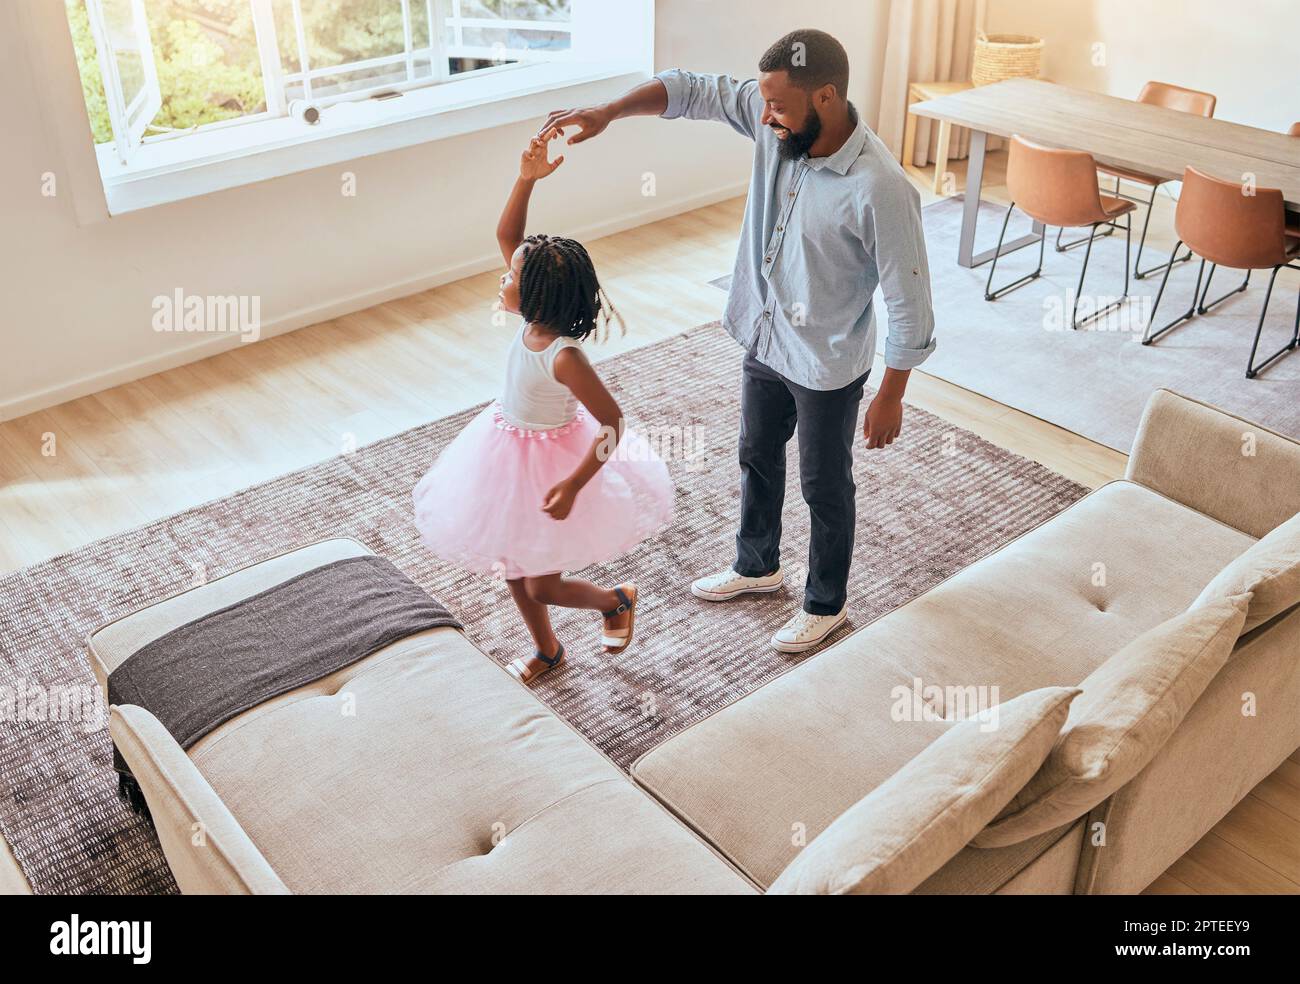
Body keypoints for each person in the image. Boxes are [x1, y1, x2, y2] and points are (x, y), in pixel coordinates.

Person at [539, 28, 937, 653]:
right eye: (764, 102)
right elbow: (688, 89)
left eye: (778, 105)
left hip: (827, 363)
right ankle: (757, 566)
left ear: (827, 98)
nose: (765, 114)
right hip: (765, 335)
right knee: (756, 454)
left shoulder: (880, 187)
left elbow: (908, 298)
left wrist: (892, 394)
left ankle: (825, 604)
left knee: (824, 487)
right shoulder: (775, 119)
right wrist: (611, 111)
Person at [412, 130, 674, 684]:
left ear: (534, 295)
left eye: (510, 276)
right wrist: (526, 178)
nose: (501, 277)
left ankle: (614, 600)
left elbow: (613, 422)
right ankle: (548, 649)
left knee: (541, 582)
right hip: (504, 450)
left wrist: (576, 483)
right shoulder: (531, 317)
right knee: (512, 565)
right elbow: (508, 232)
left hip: (554, 465)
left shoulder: (563, 356)